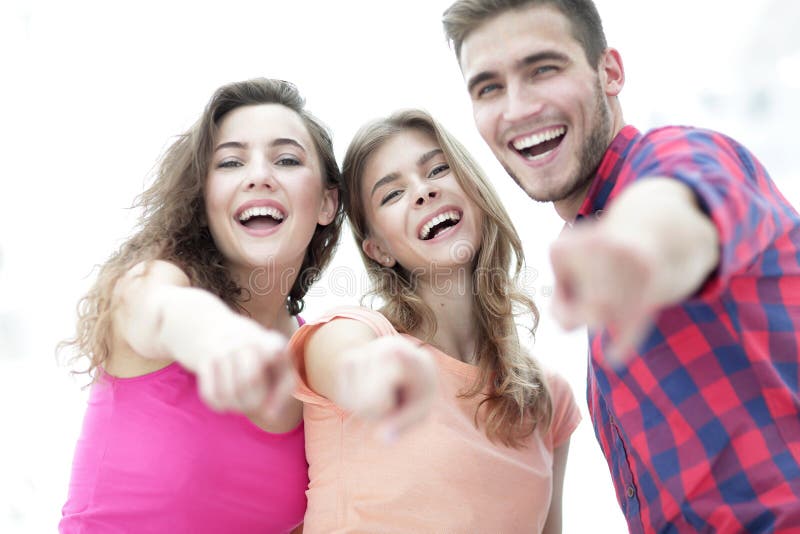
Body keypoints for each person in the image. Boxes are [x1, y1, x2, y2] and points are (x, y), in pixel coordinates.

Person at [443, 0, 800, 532]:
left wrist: (635, 247)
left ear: (609, 72)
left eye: (543, 69)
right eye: (489, 87)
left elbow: (680, 210)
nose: (516, 108)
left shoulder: (677, 158)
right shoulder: (595, 238)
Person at [59, 78, 343, 533]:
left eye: (287, 159)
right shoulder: (152, 280)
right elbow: (166, 310)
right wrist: (220, 336)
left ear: (327, 202)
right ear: (203, 197)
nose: (259, 175)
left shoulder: (314, 358)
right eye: (231, 162)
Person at [288, 109, 580, 533]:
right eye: (391, 194)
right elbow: (348, 366)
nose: (423, 192)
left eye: (438, 170)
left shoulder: (548, 398)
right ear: (378, 250)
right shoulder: (352, 333)